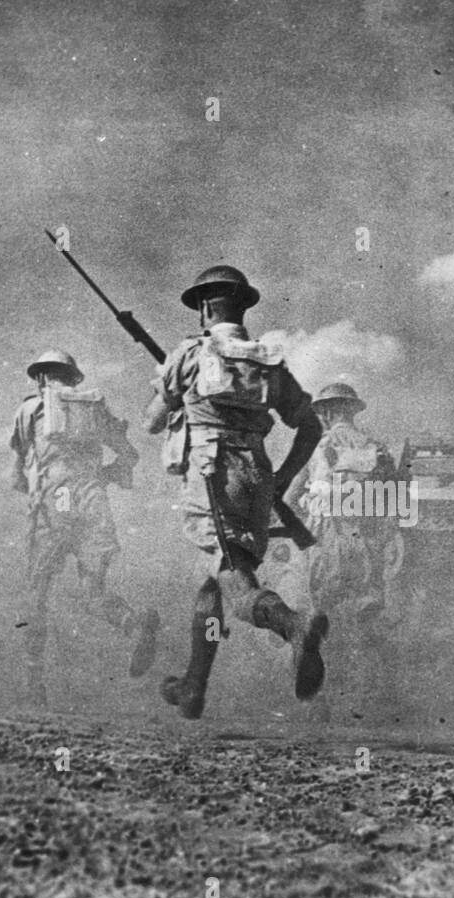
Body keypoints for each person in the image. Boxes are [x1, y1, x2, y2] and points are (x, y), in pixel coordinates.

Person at [145, 265, 328, 719]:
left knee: (238, 586)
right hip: (257, 477)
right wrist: (282, 479)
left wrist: (170, 390)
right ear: (243, 305)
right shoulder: (268, 360)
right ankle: (193, 686)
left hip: (211, 476)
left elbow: (150, 421)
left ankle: (293, 625)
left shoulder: (190, 353)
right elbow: (309, 426)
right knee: (214, 582)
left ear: (205, 307)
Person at [10, 349, 159, 708]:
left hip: (52, 505)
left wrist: (33, 486)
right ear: (73, 377)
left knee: (37, 593)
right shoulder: (95, 408)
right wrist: (101, 477)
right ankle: (134, 624)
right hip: (92, 504)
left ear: (42, 378)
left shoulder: (30, 409)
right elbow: (129, 455)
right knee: (93, 591)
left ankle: (34, 686)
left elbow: (16, 474)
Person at [295, 383, 397, 617]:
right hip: (367, 544)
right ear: (353, 412)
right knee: (366, 617)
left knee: (325, 618)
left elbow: (289, 498)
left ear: (327, 413)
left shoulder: (313, 448)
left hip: (326, 541)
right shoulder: (378, 449)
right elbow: (395, 501)